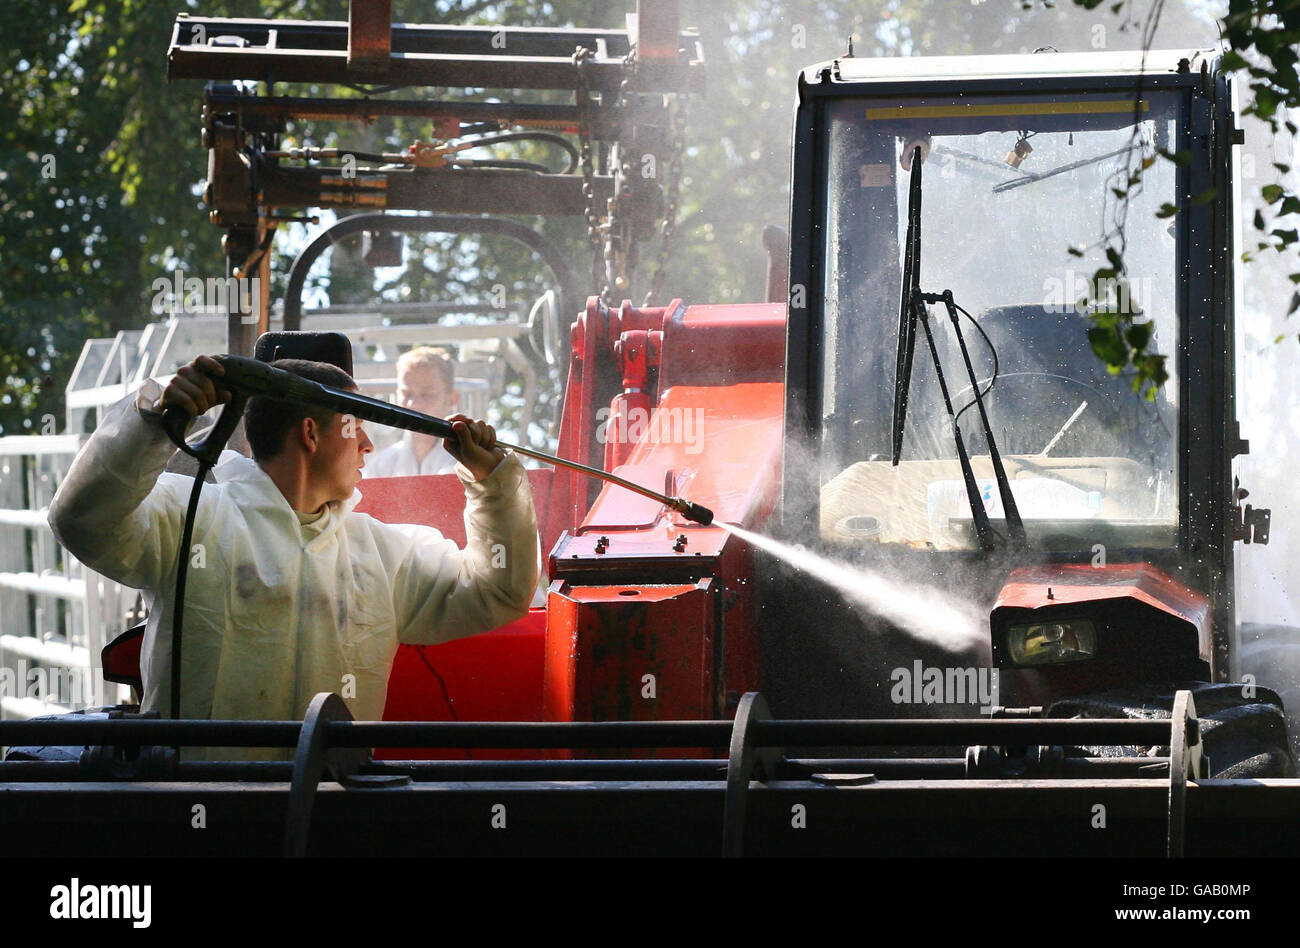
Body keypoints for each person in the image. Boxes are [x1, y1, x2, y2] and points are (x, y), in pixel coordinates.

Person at [47, 354, 540, 760]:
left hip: (329, 819)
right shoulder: (191, 517)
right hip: (201, 815)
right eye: (356, 427)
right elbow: (81, 520)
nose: (369, 445)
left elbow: (499, 590)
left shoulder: (385, 554)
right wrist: (150, 421)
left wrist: (494, 483)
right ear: (310, 432)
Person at [364, 345, 462, 477]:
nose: (413, 404)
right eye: (406, 394)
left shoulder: (464, 465)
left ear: (452, 400)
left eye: (427, 394)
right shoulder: (381, 467)